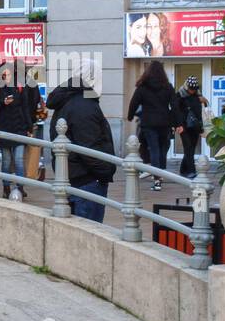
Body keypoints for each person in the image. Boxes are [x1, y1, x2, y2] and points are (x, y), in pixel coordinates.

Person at [47, 65, 116, 223]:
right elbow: (89, 148)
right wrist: (105, 171)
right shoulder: (84, 105)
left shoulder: (69, 100)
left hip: (74, 178)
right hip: (87, 181)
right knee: (90, 236)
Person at [0, 63, 39, 198]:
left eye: (9, 73)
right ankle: (6, 187)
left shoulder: (20, 86)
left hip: (19, 128)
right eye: (4, 73)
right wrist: (3, 102)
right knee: (7, 161)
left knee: (19, 159)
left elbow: (26, 108)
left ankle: (20, 187)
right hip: (3, 130)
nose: (7, 75)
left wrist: (29, 127)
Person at [127, 60, 178, 190]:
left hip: (149, 122)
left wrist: (130, 115)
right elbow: (175, 106)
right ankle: (159, 175)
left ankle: (157, 180)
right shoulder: (168, 87)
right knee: (162, 150)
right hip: (164, 122)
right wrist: (176, 122)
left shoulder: (143, 87)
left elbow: (134, 102)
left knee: (154, 149)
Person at [174, 75, 208, 179]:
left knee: (191, 149)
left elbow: (201, 110)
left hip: (195, 126)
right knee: (188, 148)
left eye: (194, 89)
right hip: (184, 126)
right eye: (191, 89)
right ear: (187, 87)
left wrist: (204, 101)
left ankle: (183, 169)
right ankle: (191, 171)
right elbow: (175, 111)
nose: (193, 91)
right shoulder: (180, 95)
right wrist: (177, 125)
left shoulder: (198, 95)